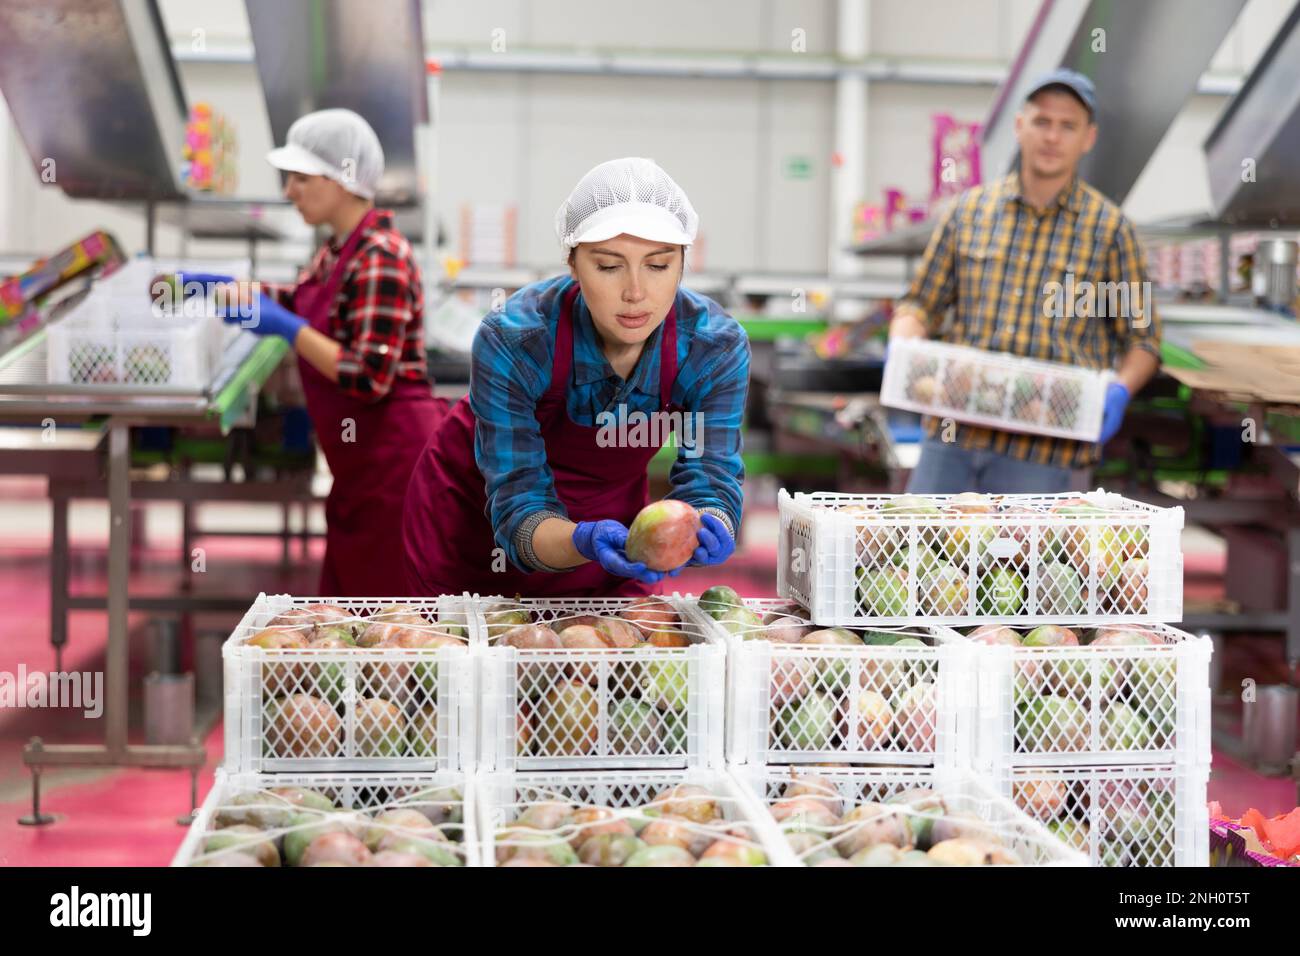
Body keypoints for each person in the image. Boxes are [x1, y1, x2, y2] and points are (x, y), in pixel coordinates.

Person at [402, 157, 749, 597]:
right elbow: (517, 504)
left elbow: (711, 474)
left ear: (683, 263)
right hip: (473, 525)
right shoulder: (516, 340)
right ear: (573, 263)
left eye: (658, 266)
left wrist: (711, 519)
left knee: (612, 656)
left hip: (614, 524)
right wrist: (581, 540)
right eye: (608, 266)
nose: (635, 292)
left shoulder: (711, 347)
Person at [181, 109, 445, 595]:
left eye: (302, 178)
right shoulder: (337, 252)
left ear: (344, 181)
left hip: (395, 469)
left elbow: (368, 375)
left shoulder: (382, 256)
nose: (289, 192)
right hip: (357, 470)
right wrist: (229, 289)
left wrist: (287, 327)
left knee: (392, 623)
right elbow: (301, 300)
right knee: (349, 614)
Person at [888, 69, 1161, 494]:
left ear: (1088, 137)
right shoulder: (970, 212)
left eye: (1067, 126)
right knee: (921, 555)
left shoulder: (1109, 231)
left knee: (1022, 560)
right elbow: (921, 303)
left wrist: (1119, 390)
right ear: (1020, 126)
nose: (1052, 137)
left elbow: (1142, 339)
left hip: (1042, 452)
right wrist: (904, 344)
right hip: (953, 436)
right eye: (1041, 122)